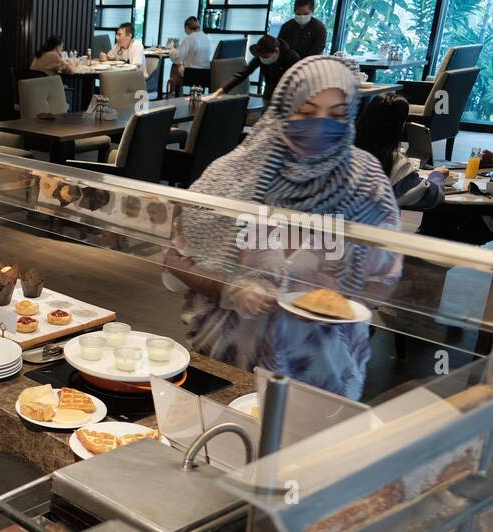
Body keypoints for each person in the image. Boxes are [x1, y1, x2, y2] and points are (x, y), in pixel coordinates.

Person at [163, 57, 401, 401]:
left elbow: (385, 277)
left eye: (335, 115)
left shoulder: (365, 186)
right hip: (228, 364)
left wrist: (341, 298)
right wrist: (229, 289)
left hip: (323, 373)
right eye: (306, 112)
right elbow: (175, 257)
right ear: (281, 110)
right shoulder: (232, 176)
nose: (321, 125)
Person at [356, 93, 448, 211]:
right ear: (399, 127)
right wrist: (437, 175)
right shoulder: (394, 164)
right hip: (372, 228)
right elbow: (432, 198)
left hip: (334, 225)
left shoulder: (342, 152)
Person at [209, 34, 299, 104]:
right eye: (261, 56)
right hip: (269, 93)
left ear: (276, 51)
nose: (263, 59)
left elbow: (298, 83)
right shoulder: (260, 56)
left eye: (266, 56)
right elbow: (242, 74)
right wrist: (221, 90)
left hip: (289, 96)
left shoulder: (291, 58)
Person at [169, 17, 211, 95]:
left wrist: (171, 49)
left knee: (175, 65)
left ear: (187, 27)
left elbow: (177, 57)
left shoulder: (188, 39)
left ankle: (174, 94)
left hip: (191, 74)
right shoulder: (206, 37)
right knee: (180, 65)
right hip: (206, 74)